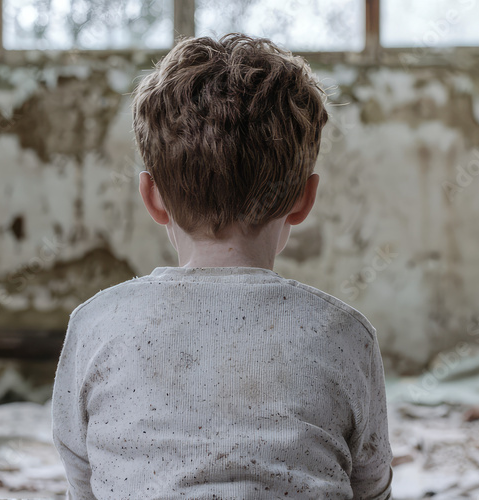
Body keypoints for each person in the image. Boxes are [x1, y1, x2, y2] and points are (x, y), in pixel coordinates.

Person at [51, 33, 394, 499]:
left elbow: (84, 483)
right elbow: (371, 489)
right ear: (304, 198)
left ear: (151, 197)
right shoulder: (346, 334)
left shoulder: (95, 324)